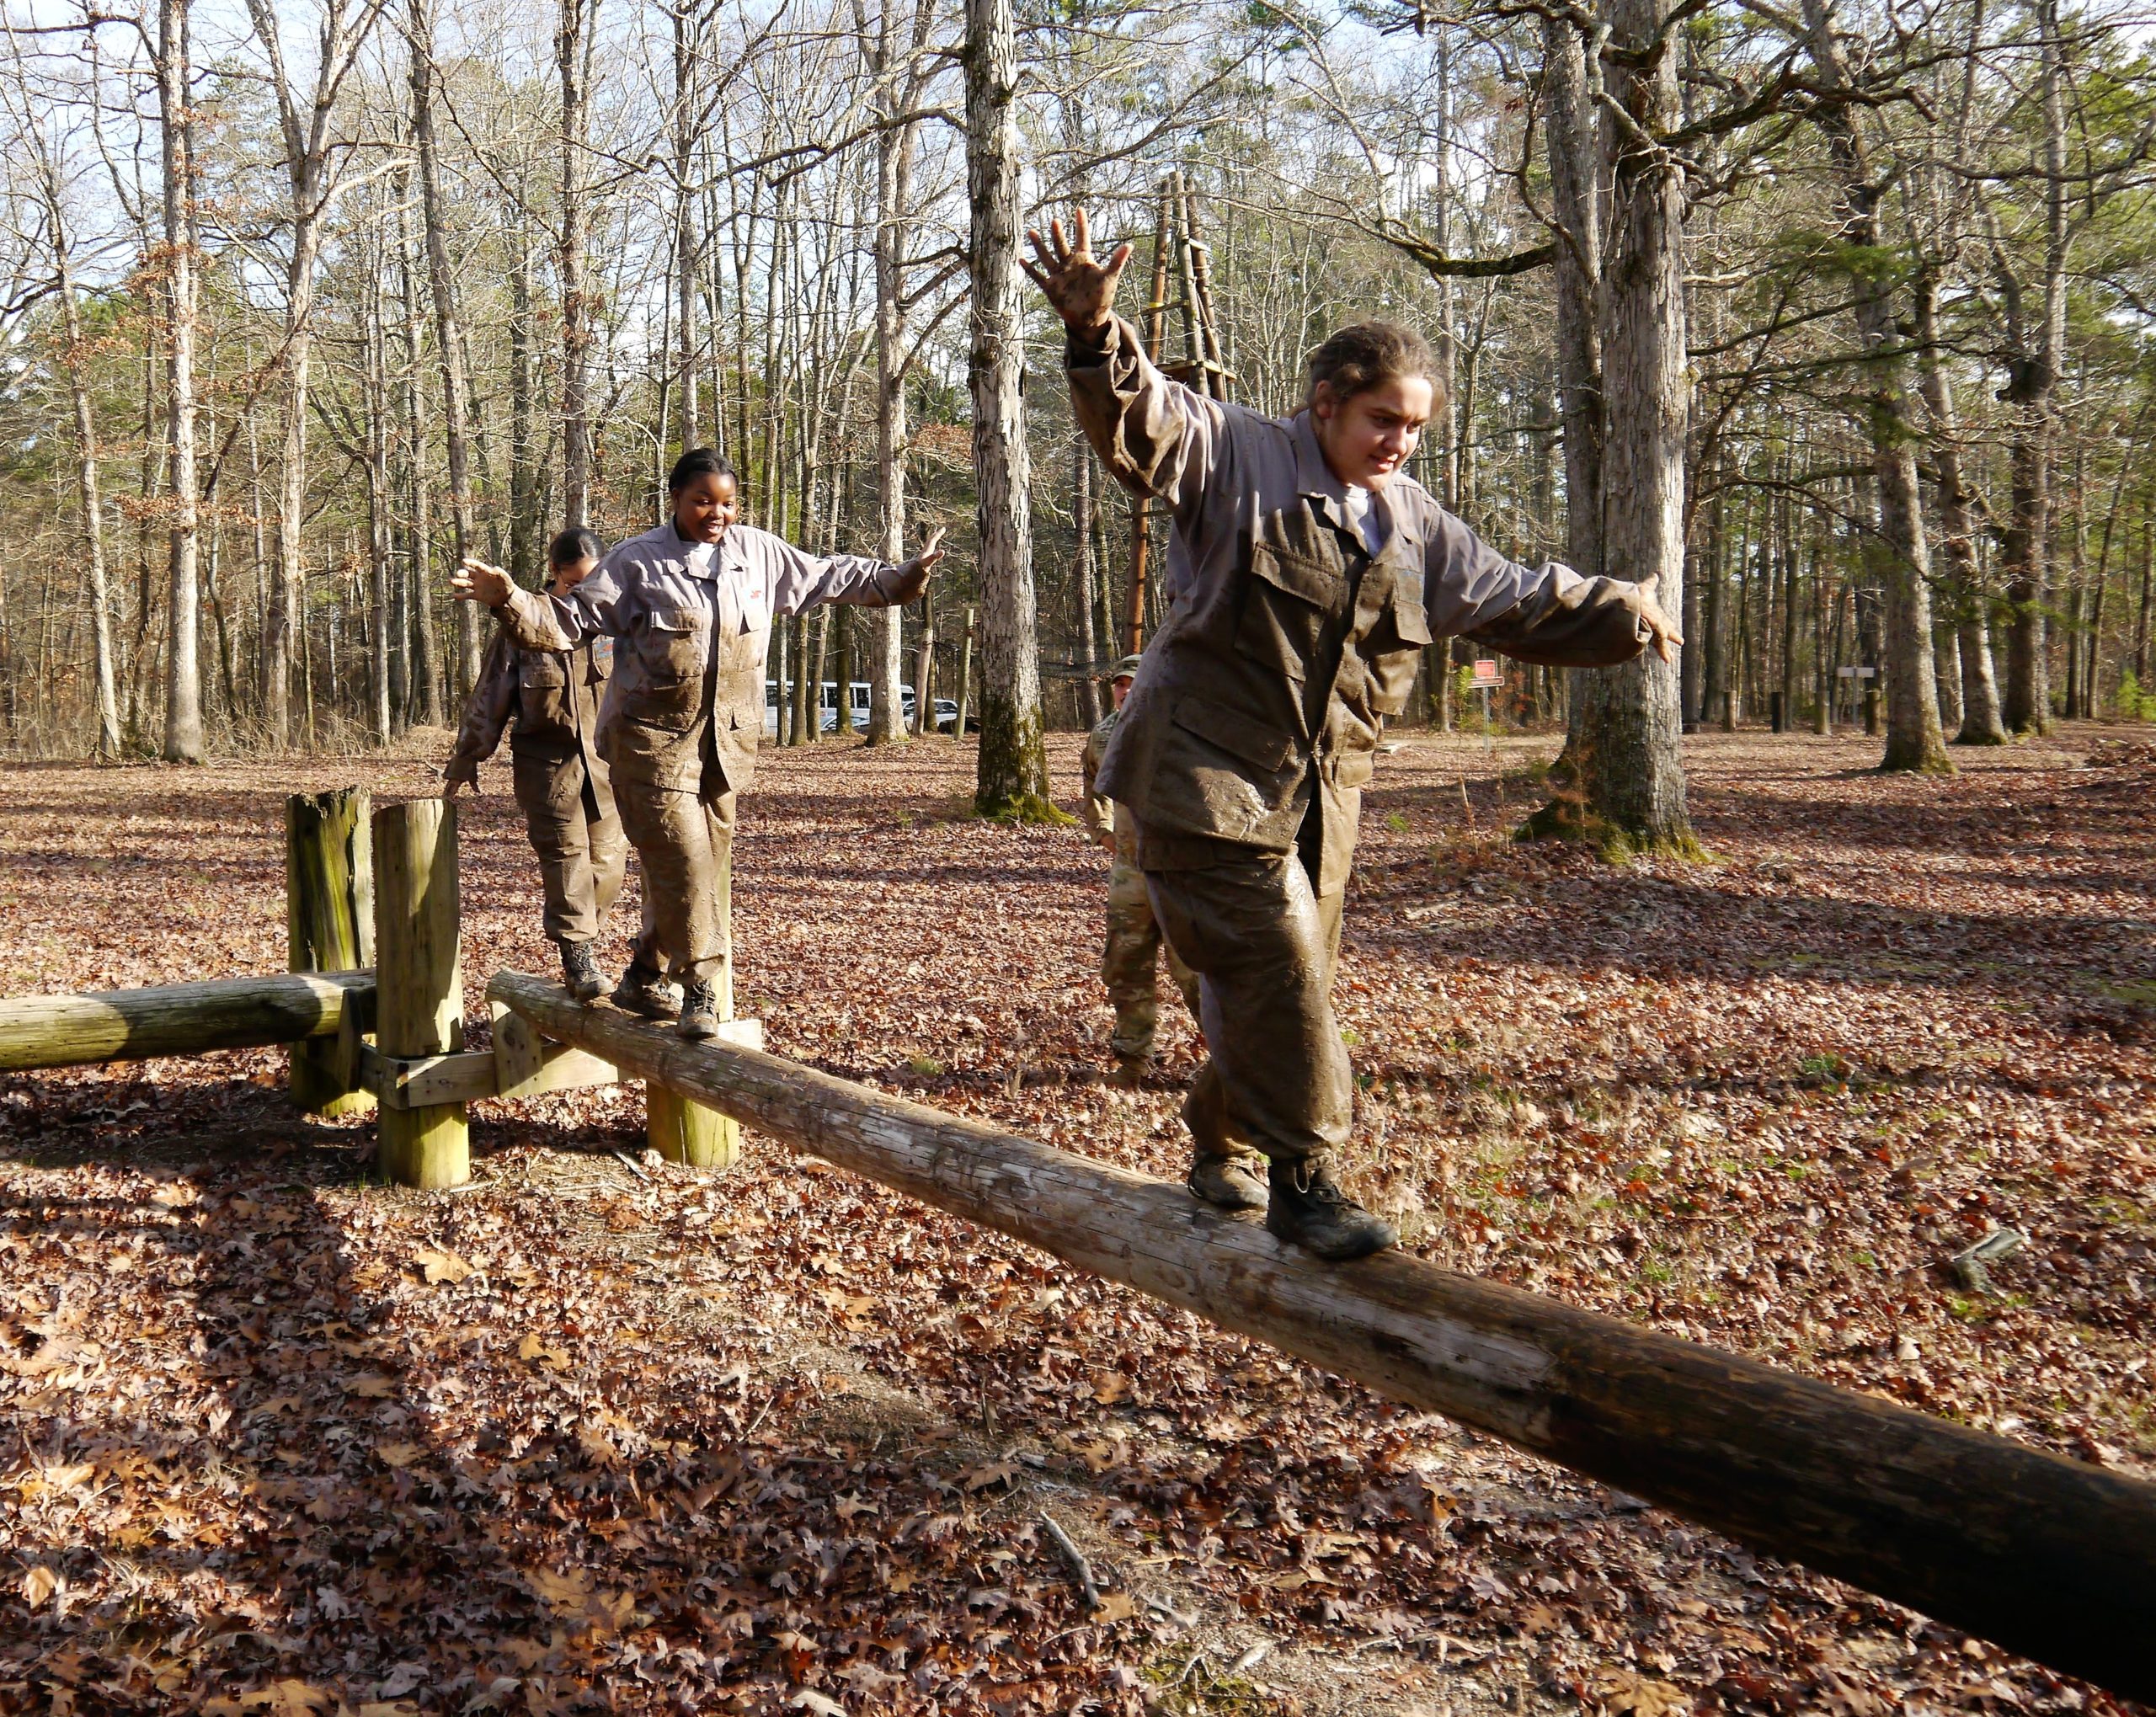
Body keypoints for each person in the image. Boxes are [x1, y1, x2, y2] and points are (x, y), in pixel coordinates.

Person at [1025, 210, 1682, 1261]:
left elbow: (1512, 599)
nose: (1399, 441)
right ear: (1324, 405)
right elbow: (1139, 422)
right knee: (1277, 968)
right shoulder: (1234, 452)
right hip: (1198, 775)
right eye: (1383, 418)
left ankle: (1218, 1143)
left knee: (1287, 981)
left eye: (1414, 426)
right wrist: (1097, 334)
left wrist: (1618, 607)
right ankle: (1306, 1177)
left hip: (1320, 798)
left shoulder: (1411, 520)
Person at [451, 450, 942, 1040]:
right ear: (676, 499)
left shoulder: (757, 554)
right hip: (648, 746)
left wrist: (902, 577)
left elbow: (830, 575)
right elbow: (565, 621)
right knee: (684, 860)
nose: (717, 513)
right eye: (703, 500)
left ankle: (643, 972)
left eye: (728, 502)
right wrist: (509, 599)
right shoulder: (637, 563)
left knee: (696, 868)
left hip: (725, 748)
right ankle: (701, 985)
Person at [442, 527, 628, 1005]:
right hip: (546, 766)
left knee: (607, 863)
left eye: (593, 583)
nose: (582, 594)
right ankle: (579, 958)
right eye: (575, 584)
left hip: (607, 769)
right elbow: (490, 697)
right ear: (555, 574)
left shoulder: (614, 626)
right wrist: (467, 757)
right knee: (567, 857)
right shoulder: (520, 629)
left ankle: (584, 939)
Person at [1081, 655, 1216, 1094]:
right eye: (1118, 685)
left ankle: (1231, 1064)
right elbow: (1093, 786)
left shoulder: (1184, 730)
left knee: (1195, 971)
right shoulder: (1102, 735)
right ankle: (1132, 1060)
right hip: (1129, 873)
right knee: (1125, 965)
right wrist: (1102, 831)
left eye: (1133, 684)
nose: (1124, 691)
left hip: (1181, 871)